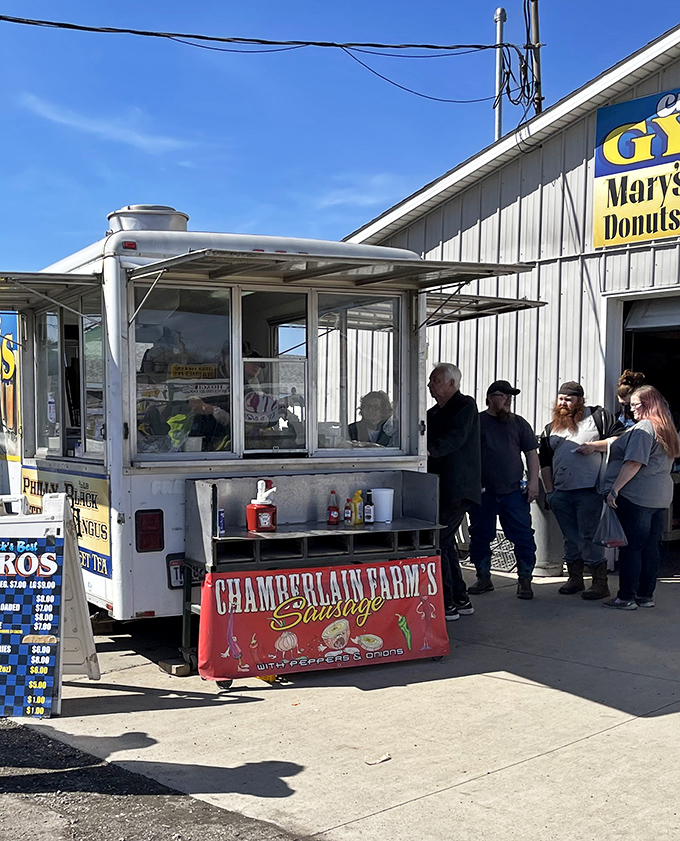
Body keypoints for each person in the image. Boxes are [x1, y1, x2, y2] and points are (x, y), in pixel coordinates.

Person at [539, 381, 624, 599]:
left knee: (589, 536)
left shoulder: (598, 418)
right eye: (560, 399)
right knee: (570, 537)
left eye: (569, 399)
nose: (563, 403)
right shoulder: (551, 428)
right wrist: (550, 492)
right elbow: (545, 462)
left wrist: (595, 446)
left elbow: (622, 439)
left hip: (589, 491)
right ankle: (575, 579)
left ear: (580, 400)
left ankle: (599, 583)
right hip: (561, 493)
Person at [600, 385, 680, 610]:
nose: (631, 409)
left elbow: (634, 462)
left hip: (638, 496)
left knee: (632, 547)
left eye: (635, 404)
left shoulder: (645, 427)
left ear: (648, 405)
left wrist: (614, 489)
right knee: (650, 546)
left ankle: (626, 597)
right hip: (660, 497)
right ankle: (645, 595)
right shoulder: (667, 428)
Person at [468, 381, 539, 600]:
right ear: (489, 397)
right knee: (480, 536)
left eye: (510, 396)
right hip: (483, 493)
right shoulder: (477, 422)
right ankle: (483, 577)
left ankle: (525, 580)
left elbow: (531, 454)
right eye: (503, 395)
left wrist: (534, 483)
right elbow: (466, 456)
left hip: (513, 493)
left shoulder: (518, 423)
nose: (508, 399)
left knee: (524, 537)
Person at [427, 363, 481, 621]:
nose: (430, 385)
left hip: (458, 488)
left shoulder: (465, 406)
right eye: (429, 381)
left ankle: (447, 601)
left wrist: (428, 450)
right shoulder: (432, 413)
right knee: (445, 541)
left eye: (435, 380)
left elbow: (454, 439)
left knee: (438, 541)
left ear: (451, 384)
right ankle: (459, 598)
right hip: (437, 486)